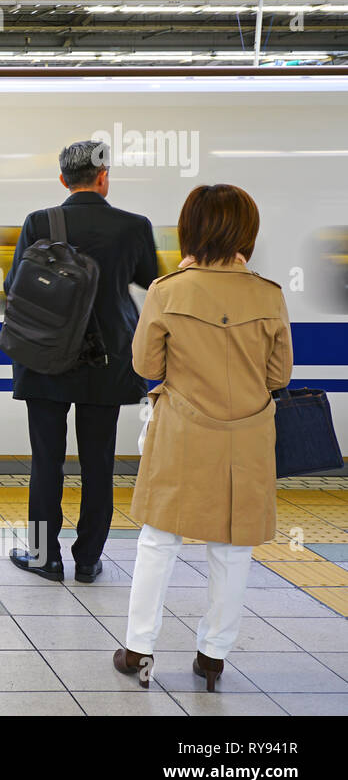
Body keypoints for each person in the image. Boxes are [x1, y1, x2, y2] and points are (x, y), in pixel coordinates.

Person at [114, 184, 292, 690]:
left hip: (183, 431)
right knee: (232, 548)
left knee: (158, 541)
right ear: (247, 234)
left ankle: (138, 651)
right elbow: (278, 373)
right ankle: (212, 658)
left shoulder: (167, 291)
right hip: (248, 436)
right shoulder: (269, 294)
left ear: (190, 231)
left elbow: (147, 365)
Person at [6, 140, 159, 583]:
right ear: (104, 176)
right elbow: (152, 282)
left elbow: (15, 287)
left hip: (44, 356)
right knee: (99, 463)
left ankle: (43, 557)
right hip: (107, 361)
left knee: (45, 462)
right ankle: (88, 559)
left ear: (62, 180)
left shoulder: (40, 222)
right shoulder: (133, 226)